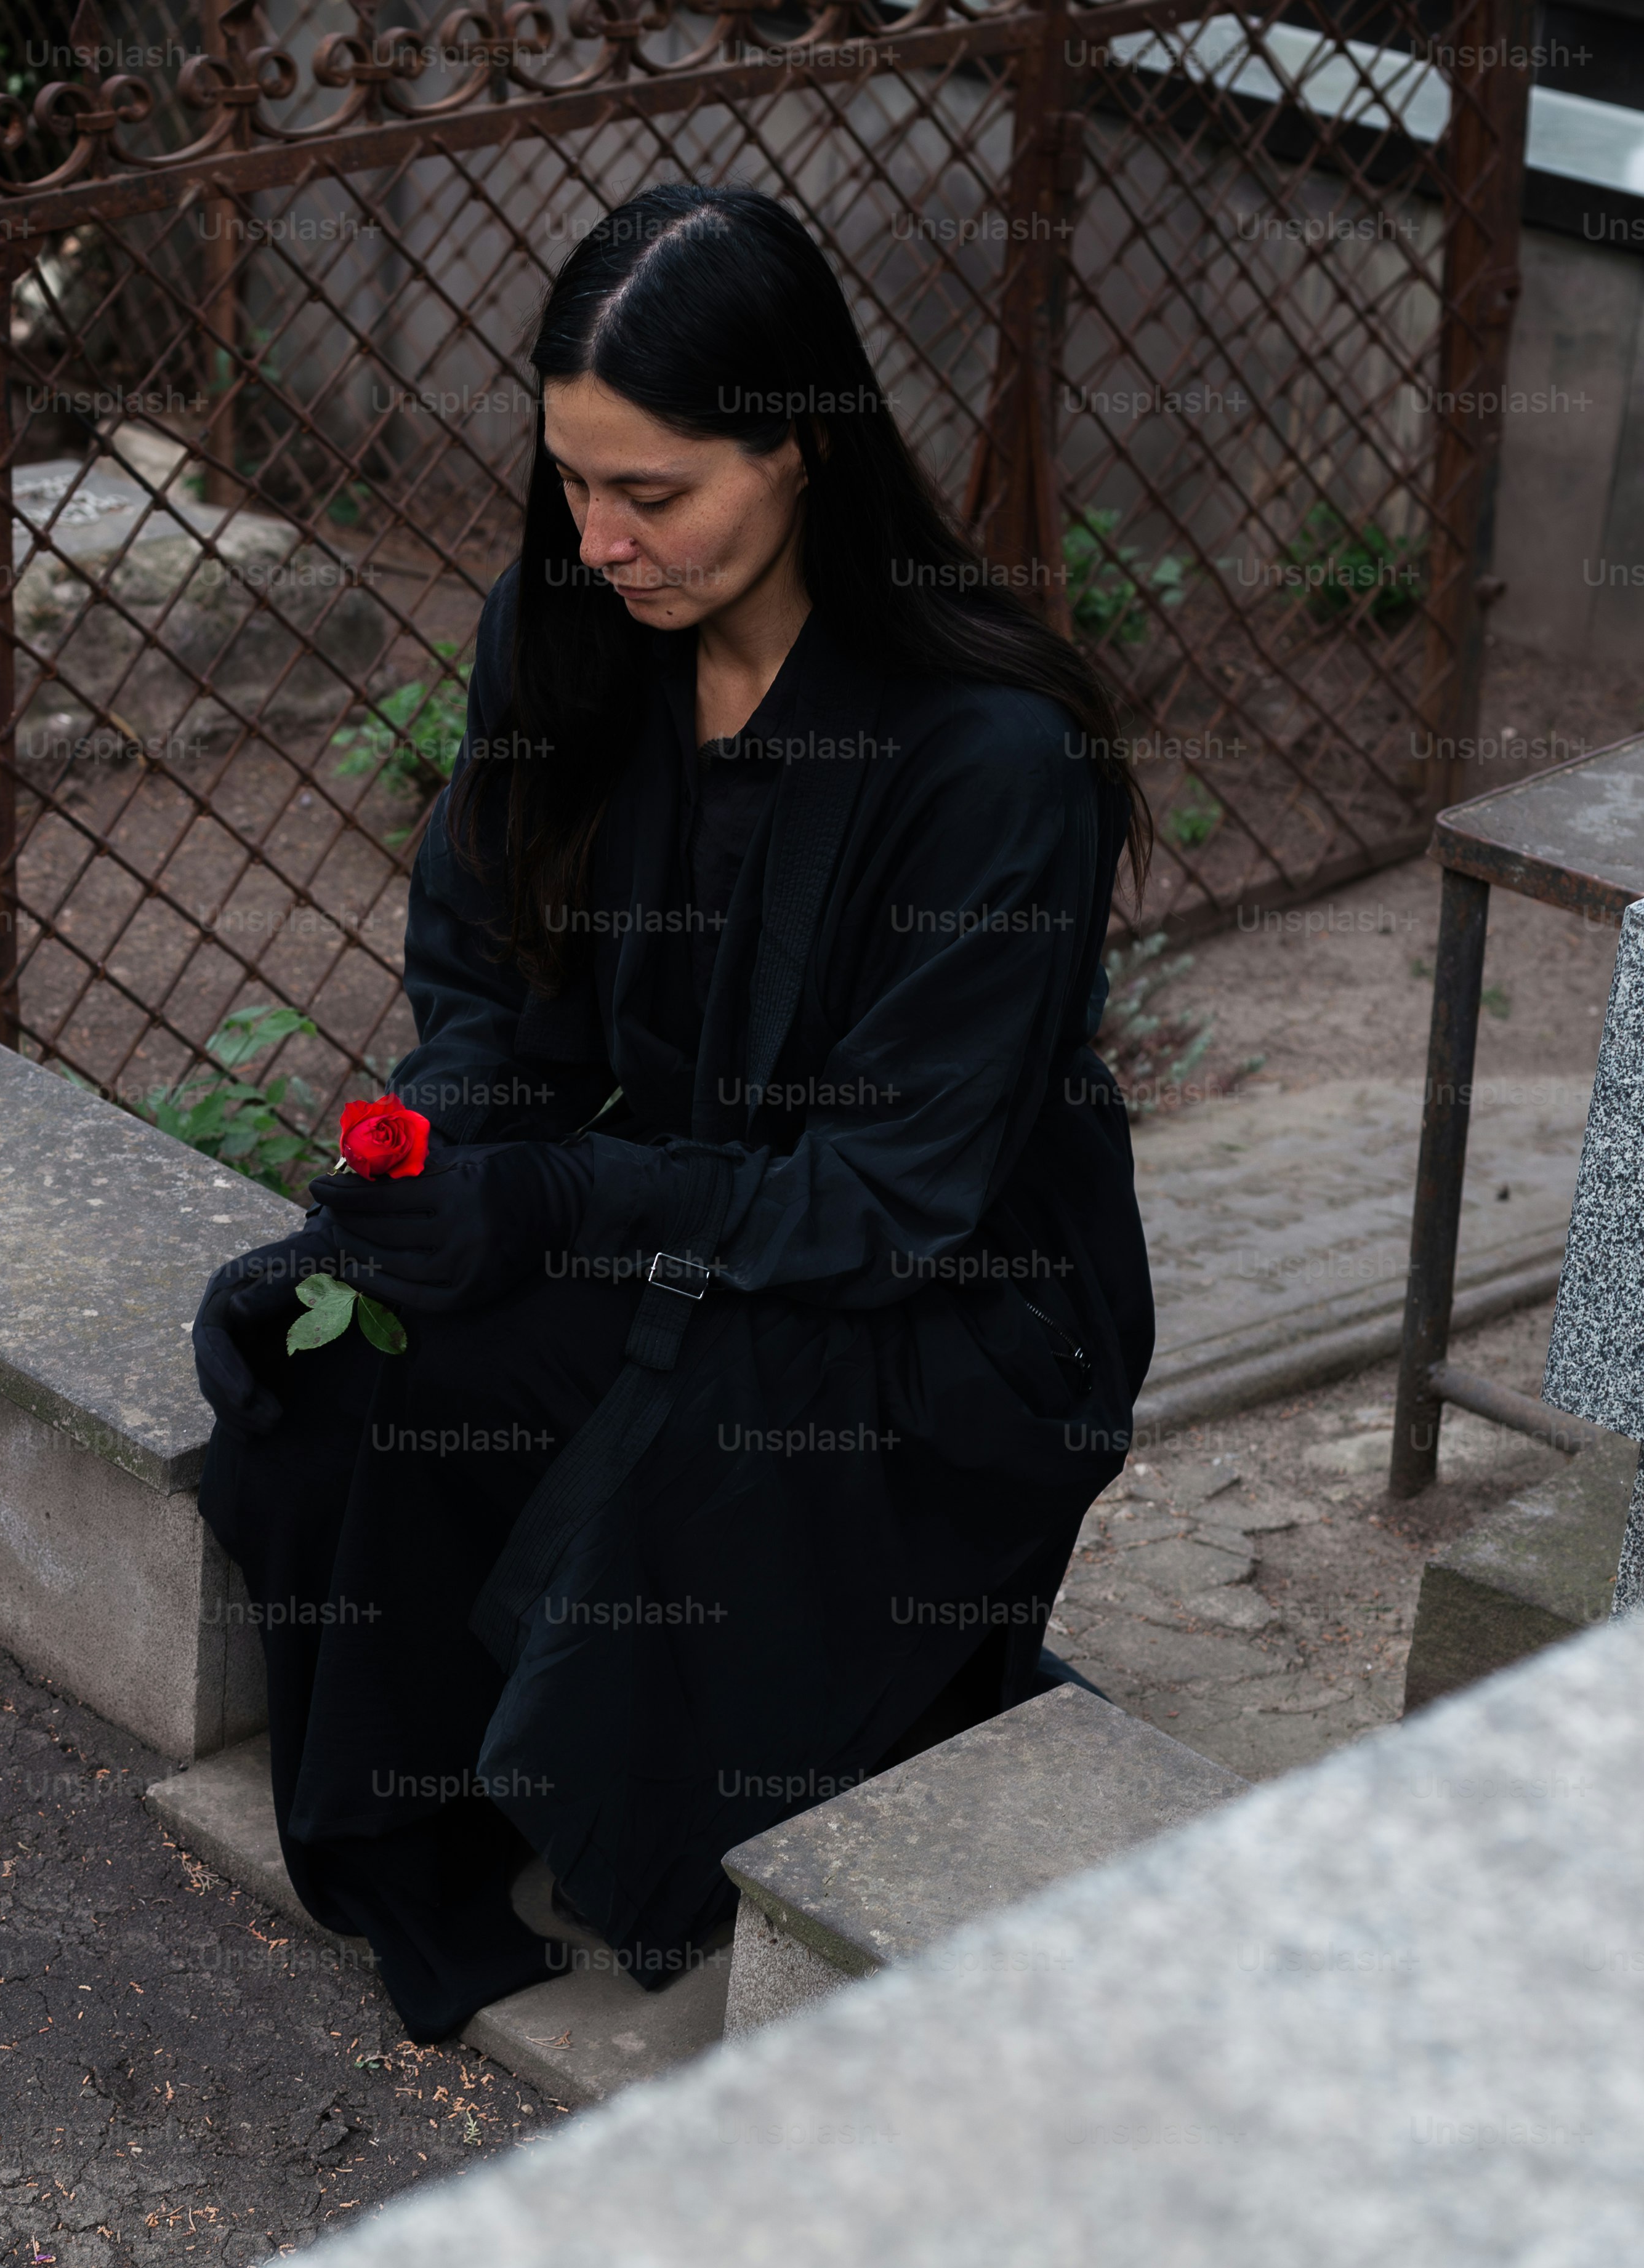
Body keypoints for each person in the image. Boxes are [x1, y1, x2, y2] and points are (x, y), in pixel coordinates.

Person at [189, 181, 1158, 2045]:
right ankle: (433, 1854)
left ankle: (826, 1733)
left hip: (945, 1298)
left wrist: (551, 1204)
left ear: (801, 455)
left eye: (656, 493)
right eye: (573, 483)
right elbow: (492, 990)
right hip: (702, 1199)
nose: (602, 540)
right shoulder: (568, 633)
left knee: (679, 1418)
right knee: (354, 1349)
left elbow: (893, 1191)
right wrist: (422, 1180)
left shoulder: (991, 763)